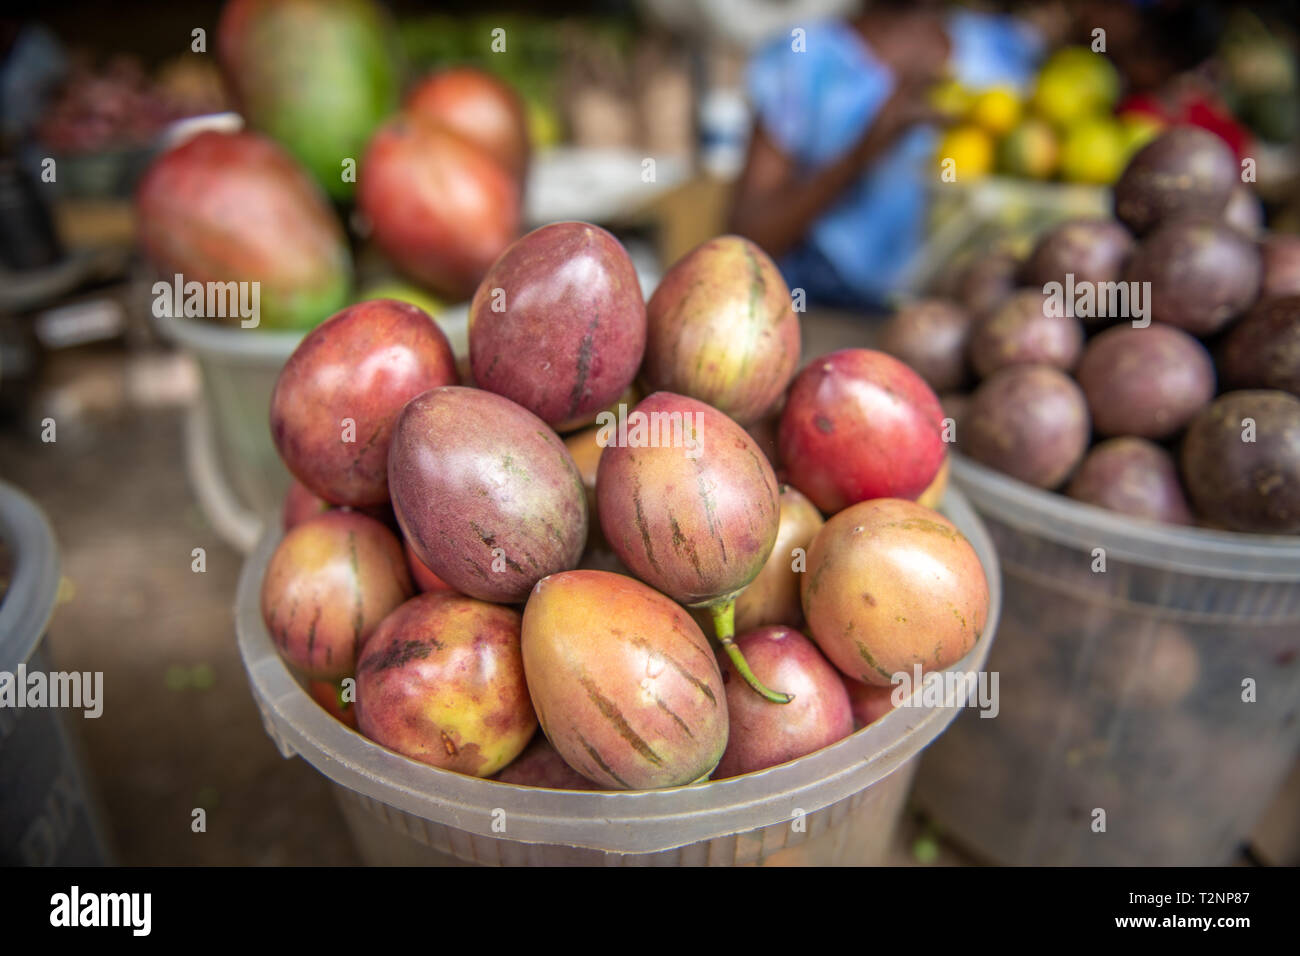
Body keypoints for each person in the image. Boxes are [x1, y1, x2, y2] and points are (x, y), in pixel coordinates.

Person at [728, 2, 1043, 310]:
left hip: (964, 313)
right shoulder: (801, 58)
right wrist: (863, 150)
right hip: (829, 304)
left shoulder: (1006, 54)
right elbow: (751, 237)